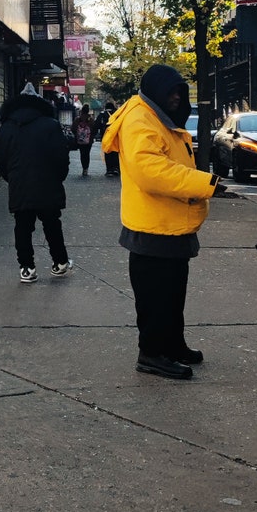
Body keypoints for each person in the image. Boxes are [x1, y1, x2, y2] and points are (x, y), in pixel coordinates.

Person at [101, 65, 222, 379]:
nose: (176, 97)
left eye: (179, 92)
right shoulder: (140, 120)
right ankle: (151, 353)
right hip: (152, 229)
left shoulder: (156, 117)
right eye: (171, 92)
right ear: (155, 91)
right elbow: (152, 172)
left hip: (170, 225)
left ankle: (172, 344)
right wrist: (205, 184)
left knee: (172, 294)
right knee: (155, 298)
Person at [0, 82, 74, 283]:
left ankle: (27, 268)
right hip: (48, 183)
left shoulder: (7, 128)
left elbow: (0, 160)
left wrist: (11, 177)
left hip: (20, 184)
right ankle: (60, 263)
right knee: (52, 224)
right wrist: (58, 177)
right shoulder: (50, 125)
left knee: (22, 226)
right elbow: (61, 156)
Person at [74, 104, 94, 177]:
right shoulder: (91, 119)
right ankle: (86, 168)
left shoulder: (78, 119)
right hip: (89, 141)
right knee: (87, 154)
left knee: (82, 154)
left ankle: (83, 167)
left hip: (80, 140)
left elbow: (73, 128)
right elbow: (94, 129)